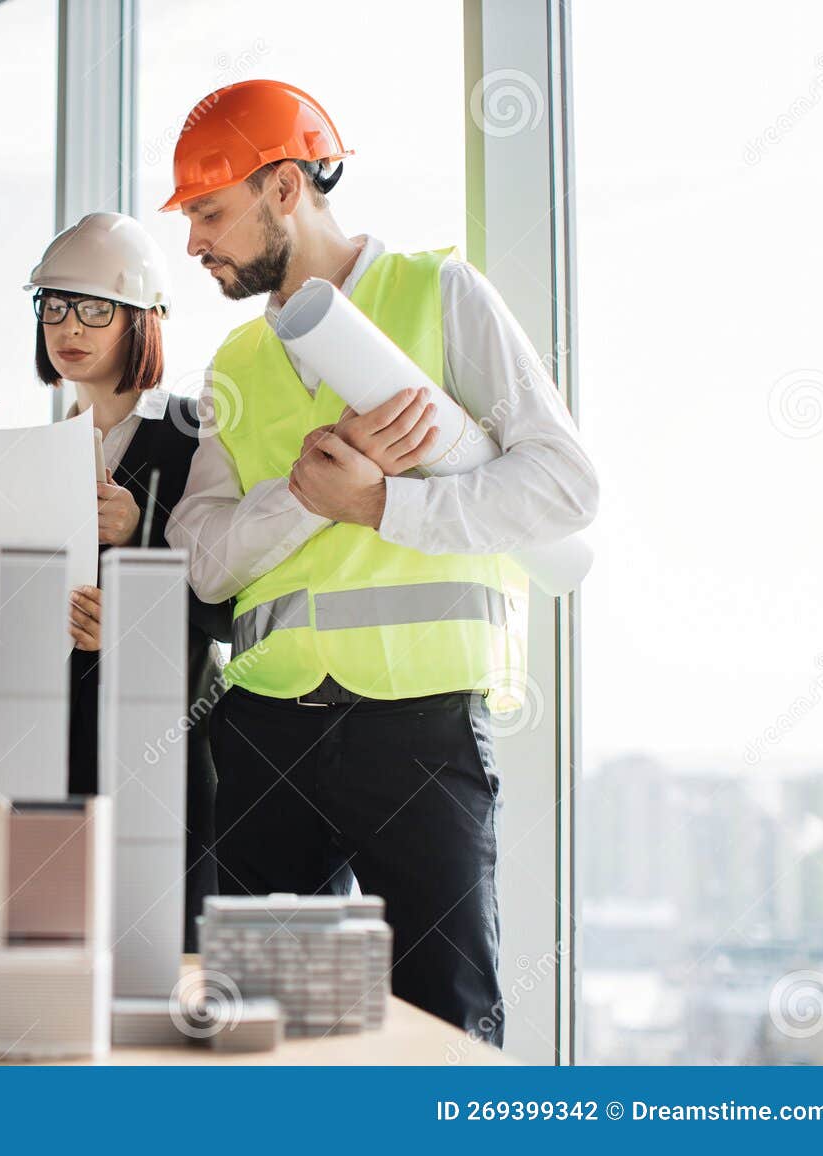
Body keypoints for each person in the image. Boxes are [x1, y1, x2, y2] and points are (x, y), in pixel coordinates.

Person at [161, 79, 599, 1046]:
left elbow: (565, 489)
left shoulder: (440, 294)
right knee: (262, 1039)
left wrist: (382, 502)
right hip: (267, 729)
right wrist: (308, 497)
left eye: (208, 211)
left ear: (285, 187)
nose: (194, 242)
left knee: (442, 1031)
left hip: (421, 734)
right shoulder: (235, 363)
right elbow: (202, 562)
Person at [24, 211, 232, 952]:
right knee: (55, 956)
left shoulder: (196, 431)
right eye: (54, 306)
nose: (67, 326)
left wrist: (142, 537)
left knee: (161, 960)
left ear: (143, 320)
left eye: (94, 309)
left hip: (168, 747)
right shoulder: (40, 448)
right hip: (54, 744)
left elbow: (235, 598)